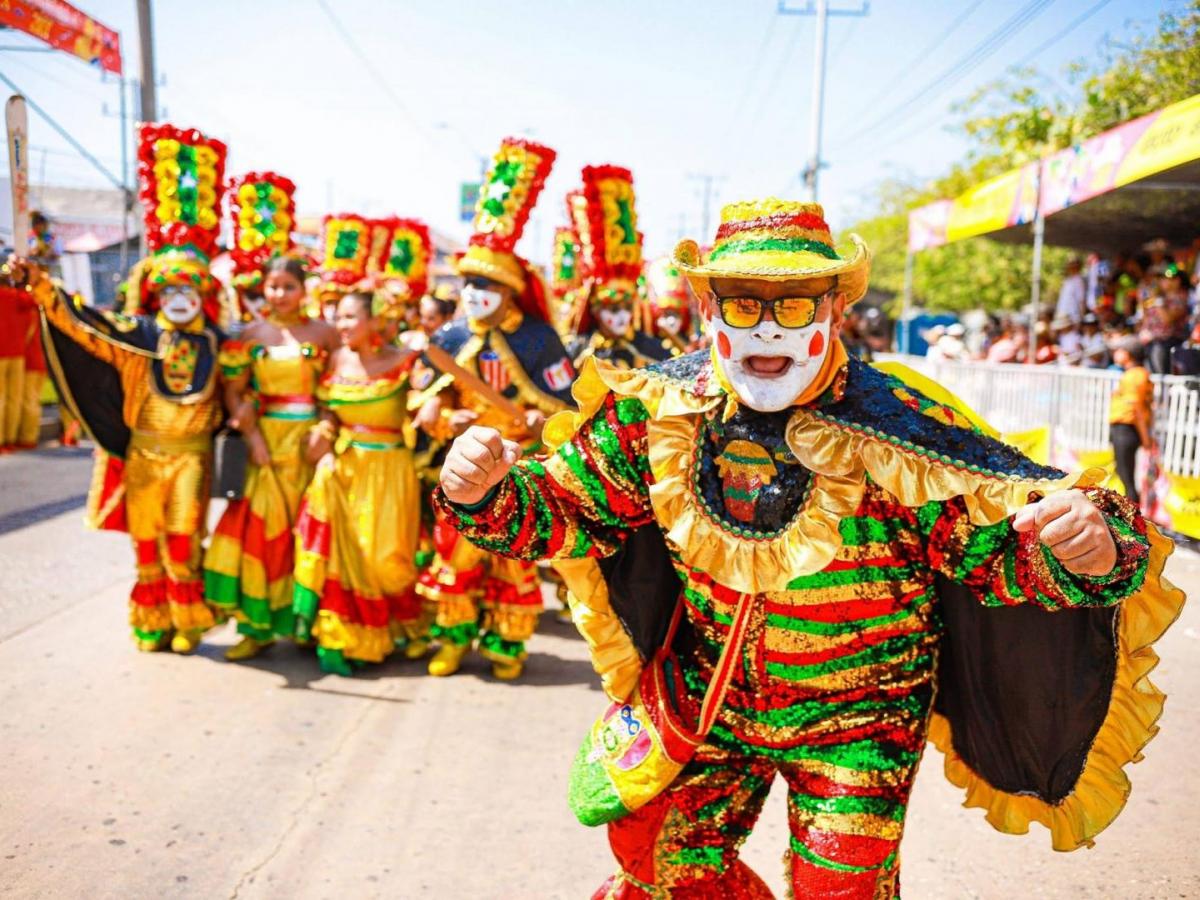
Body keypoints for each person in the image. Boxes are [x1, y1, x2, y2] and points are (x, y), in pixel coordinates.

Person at [434, 198, 1181, 898]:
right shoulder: (656, 410)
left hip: (859, 720)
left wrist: (1083, 549)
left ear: (835, 309)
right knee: (659, 867)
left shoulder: (899, 428)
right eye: (742, 303)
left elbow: (996, 545)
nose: (767, 329)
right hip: (707, 702)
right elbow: (565, 508)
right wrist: (483, 493)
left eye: (792, 305)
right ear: (706, 308)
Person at [34, 122, 229, 653]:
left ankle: (188, 620)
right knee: (146, 542)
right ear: (154, 293)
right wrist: (46, 290)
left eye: (188, 288)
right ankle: (152, 622)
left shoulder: (222, 344)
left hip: (192, 457)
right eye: (169, 289)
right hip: (145, 455)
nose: (178, 297)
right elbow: (84, 326)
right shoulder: (135, 338)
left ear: (203, 294)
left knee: (184, 537)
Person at [414, 136, 576, 681]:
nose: (474, 293)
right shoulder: (450, 335)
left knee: (513, 554)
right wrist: (445, 419)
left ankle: (509, 645)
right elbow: (421, 402)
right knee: (456, 554)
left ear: (510, 292)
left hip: (521, 461)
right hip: (459, 464)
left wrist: (542, 422)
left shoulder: (538, 339)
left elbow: (570, 405)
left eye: (486, 285)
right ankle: (453, 640)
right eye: (468, 283)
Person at [204, 256, 338, 660]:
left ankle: (307, 624)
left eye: (288, 286)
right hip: (264, 445)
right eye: (273, 286)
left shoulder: (326, 334)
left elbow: (338, 390)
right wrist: (251, 434)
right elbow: (234, 390)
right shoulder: (249, 334)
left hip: (310, 448)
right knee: (262, 535)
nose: (279, 295)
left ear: (304, 289)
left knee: (310, 534)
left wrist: (326, 432)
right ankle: (255, 627)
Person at [292, 289, 423, 676]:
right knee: (347, 558)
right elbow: (329, 412)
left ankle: (403, 628)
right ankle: (348, 637)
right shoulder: (337, 359)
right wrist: (324, 436)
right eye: (339, 317)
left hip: (391, 471)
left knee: (386, 559)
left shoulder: (405, 361)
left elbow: (430, 400)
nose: (342, 325)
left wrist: (433, 406)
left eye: (350, 317)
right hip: (345, 470)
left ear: (376, 319)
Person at [1109, 338, 1155, 506]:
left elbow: (1137, 409)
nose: (1115, 353)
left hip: (1127, 430)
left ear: (1128, 354)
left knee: (1127, 477)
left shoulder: (1136, 375)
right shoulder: (1130, 374)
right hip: (1121, 429)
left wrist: (1145, 438)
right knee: (1123, 473)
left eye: (1119, 350)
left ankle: (1133, 517)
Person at [1139, 269, 1190, 375]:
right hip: (1151, 341)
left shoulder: (1181, 297)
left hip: (1168, 342)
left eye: (1167, 279)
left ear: (1177, 281)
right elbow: (1146, 319)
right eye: (1162, 279)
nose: (1162, 281)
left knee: (1161, 374)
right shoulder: (1159, 297)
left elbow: (1167, 320)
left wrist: (1157, 300)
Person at [1054, 257, 1086, 324]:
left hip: (1072, 318)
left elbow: (1081, 301)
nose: (1070, 267)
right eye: (1069, 264)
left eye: (1073, 264)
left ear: (1078, 266)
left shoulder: (1079, 281)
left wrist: (1081, 319)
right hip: (1062, 317)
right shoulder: (1067, 281)